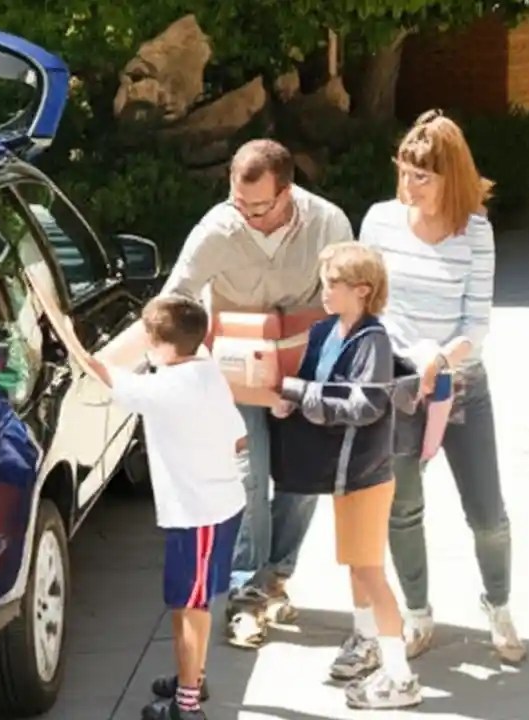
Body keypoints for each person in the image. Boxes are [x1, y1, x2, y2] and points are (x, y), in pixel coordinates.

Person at [160, 138, 356, 648]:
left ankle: (275, 579)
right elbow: (174, 297)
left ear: (287, 193)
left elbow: (353, 300)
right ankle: (246, 597)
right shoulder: (217, 228)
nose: (245, 213)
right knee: (248, 478)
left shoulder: (328, 223)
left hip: (305, 368)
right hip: (238, 374)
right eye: (237, 201)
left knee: (303, 481)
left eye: (258, 206)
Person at [359, 109, 527, 664]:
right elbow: (372, 306)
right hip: (401, 387)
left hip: (461, 390)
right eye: (404, 171)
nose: (408, 186)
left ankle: (498, 607)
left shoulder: (475, 232)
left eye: (422, 177)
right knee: (402, 509)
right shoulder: (381, 222)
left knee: (488, 514)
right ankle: (417, 614)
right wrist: (416, 356)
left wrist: (444, 359)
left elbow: (476, 325)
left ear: (450, 177)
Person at [64, 295, 247, 720]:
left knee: (190, 607)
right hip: (216, 504)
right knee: (190, 602)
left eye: (147, 337)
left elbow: (102, 372)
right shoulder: (204, 369)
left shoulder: (164, 389)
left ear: (162, 347)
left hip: (199, 513)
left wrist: (68, 335)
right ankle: (190, 677)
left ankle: (187, 704)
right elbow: (238, 438)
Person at [270, 242, 422, 709]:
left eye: (332, 283)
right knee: (358, 567)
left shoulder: (372, 341)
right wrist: (294, 397)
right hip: (344, 472)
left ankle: (400, 677)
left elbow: (366, 405)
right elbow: (319, 386)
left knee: (371, 572)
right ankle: (367, 641)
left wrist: (296, 392)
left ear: (362, 290)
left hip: (365, 474)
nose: (324, 291)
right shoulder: (327, 331)